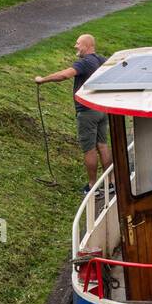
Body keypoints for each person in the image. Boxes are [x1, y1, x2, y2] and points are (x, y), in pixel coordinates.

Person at [34, 34, 110, 195]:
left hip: (87, 112)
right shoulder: (102, 60)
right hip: (102, 109)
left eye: (78, 43)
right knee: (103, 146)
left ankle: (92, 186)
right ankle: (111, 183)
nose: (76, 46)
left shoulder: (85, 62)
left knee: (89, 149)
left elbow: (64, 75)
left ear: (87, 45)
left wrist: (43, 79)